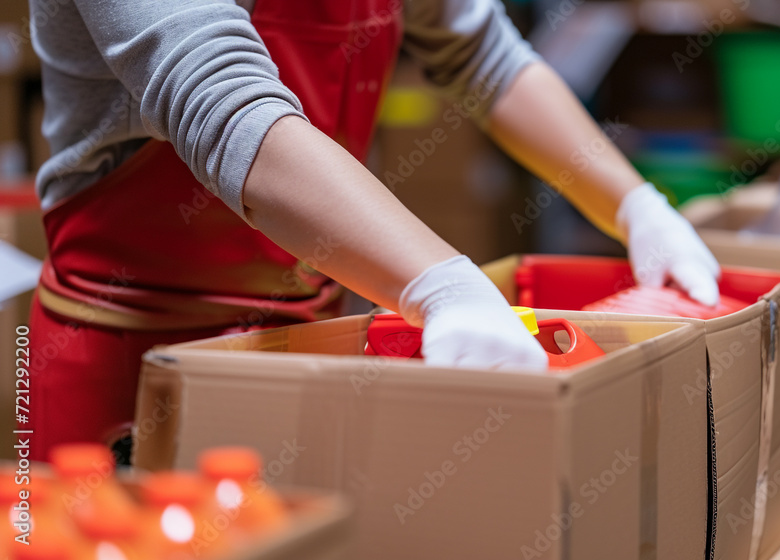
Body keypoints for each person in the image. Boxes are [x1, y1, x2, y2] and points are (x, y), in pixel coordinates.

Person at [26, 0, 721, 459]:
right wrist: (444, 287)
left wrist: (636, 206)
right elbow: (220, 101)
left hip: (308, 338)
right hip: (127, 358)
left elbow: (484, 55)